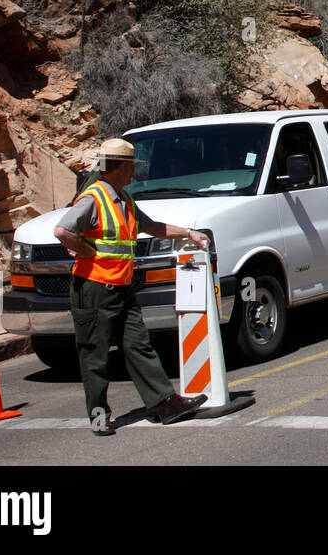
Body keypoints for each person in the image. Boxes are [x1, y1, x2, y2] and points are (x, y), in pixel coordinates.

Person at [54, 138, 211, 436]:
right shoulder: (94, 198)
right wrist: (87, 251)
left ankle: (165, 404)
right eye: (130, 167)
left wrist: (188, 232)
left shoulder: (123, 198)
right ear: (118, 167)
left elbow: (151, 226)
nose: (133, 173)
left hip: (121, 287)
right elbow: (62, 230)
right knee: (95, 354)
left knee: (139, 345)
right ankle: (99, 415)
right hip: (94, 288)